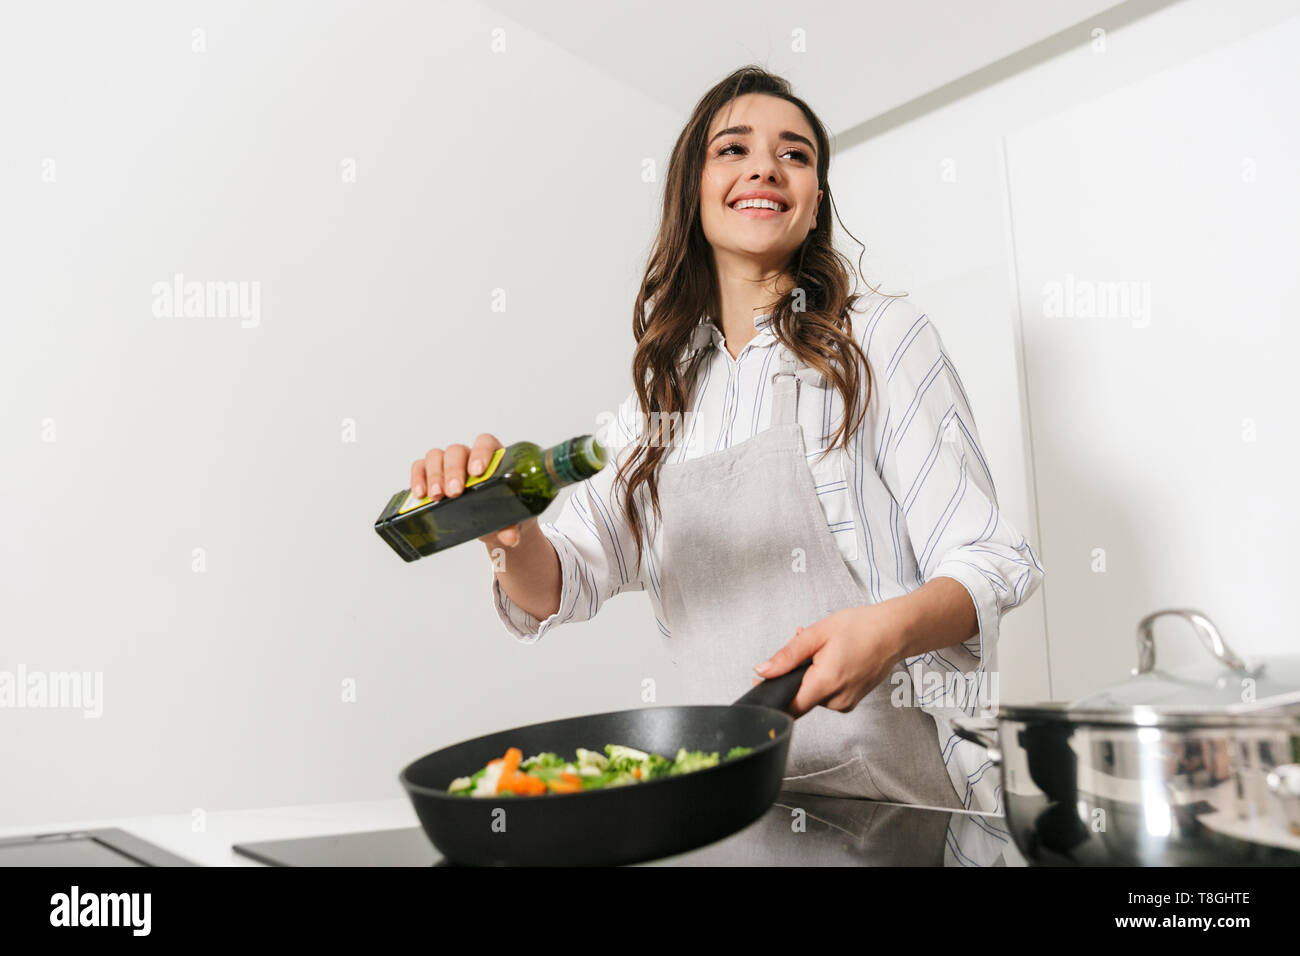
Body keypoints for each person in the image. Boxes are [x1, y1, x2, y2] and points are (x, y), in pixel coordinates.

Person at [408, 66, 1044, 815]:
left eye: (796, 154)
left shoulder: (880, 341)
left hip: (900, 804)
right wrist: (510, 533)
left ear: (814, 206)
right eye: (732, 149)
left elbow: (994, 560)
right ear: (693, 193)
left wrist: (886, 630)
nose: (765, 167)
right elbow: (561, 582)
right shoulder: (657, 407)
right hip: (735, 810)